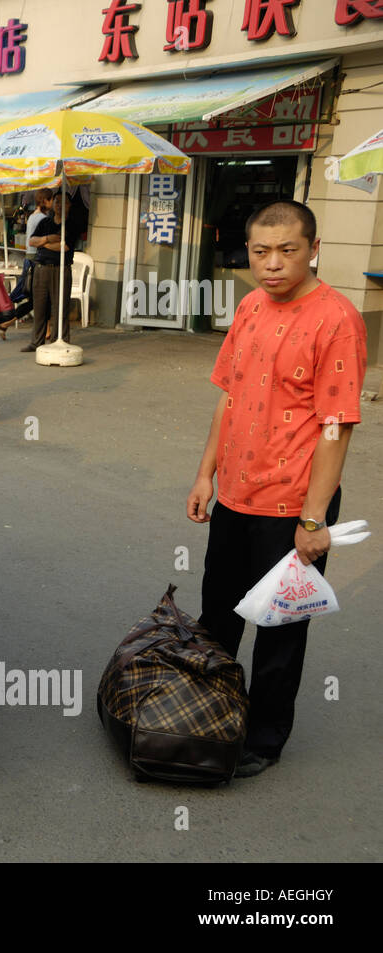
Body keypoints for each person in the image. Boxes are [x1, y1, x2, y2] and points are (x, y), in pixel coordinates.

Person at [187, 200, 367, 779]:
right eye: (261, 252)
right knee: (218, 616)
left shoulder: (337, 318)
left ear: (314, 248)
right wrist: (204, 472)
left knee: (281, 630)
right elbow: (228, 393)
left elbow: (336, 427)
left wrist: (314, 520)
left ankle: (264, 738)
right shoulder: (248, 306)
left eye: (287, 250)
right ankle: (210, 714)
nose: (272, 264)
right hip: (236, 494)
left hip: (294, 503)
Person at [0, 188, 52, 341]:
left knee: (36, 300)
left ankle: (7, 324)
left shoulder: (33, 216)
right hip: (36, 261)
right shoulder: (42, 218)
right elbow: (38, 241)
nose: (53, 203)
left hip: (31, 260)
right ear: (45, 201)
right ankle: (7, 323)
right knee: (39, 298)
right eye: (52, 200)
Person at [23, 194, 73, 351]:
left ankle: (60, 340)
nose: (59, 205)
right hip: (41, 268)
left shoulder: (71, 224)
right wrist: (48, 239)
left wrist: (42, 244)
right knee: (39, 307)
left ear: (69, 206)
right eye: (57, 202)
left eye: (63, 203)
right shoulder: (45, 222)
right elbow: (32, 241)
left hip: (60, 268)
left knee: (60, 308)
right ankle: (36, 342)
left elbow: (65, 247)